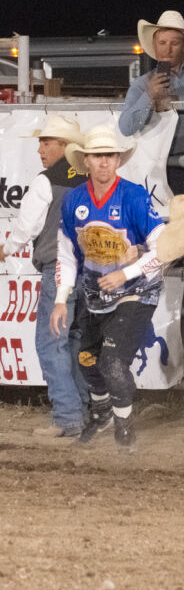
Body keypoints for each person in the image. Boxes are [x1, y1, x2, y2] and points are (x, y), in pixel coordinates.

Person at [52, 122, 167, 451]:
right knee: (87, 359)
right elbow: (67, 253)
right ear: (86, 161)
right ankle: (102, 413)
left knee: (112, 363)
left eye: (110, 155)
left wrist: (127, 273)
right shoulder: (74, 201)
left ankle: (124, 425)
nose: (104, 162)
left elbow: (163, 248)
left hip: (137, 292)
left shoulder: (133, 196)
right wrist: (61, 298)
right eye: (98, 156)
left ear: (118, 160)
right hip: (95, 294)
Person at [0, 116, 88, 440]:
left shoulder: (46, 181)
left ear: (64, 146)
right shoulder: (91, 178)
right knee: (76, 342)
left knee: (50, 343)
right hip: (89, 272)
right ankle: (83, 411)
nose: (40, 149)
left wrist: (6, 249)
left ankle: (67, 417)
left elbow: (27, 227)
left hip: (60, 269)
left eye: (46, 142)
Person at [119, 9, 184, 195]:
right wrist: (149, 95)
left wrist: (178, 102)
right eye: (163, 43)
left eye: (174, 43)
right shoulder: (142, 85)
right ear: (154, 46)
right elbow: (126, 127)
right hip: (153, 167)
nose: (168, 49)